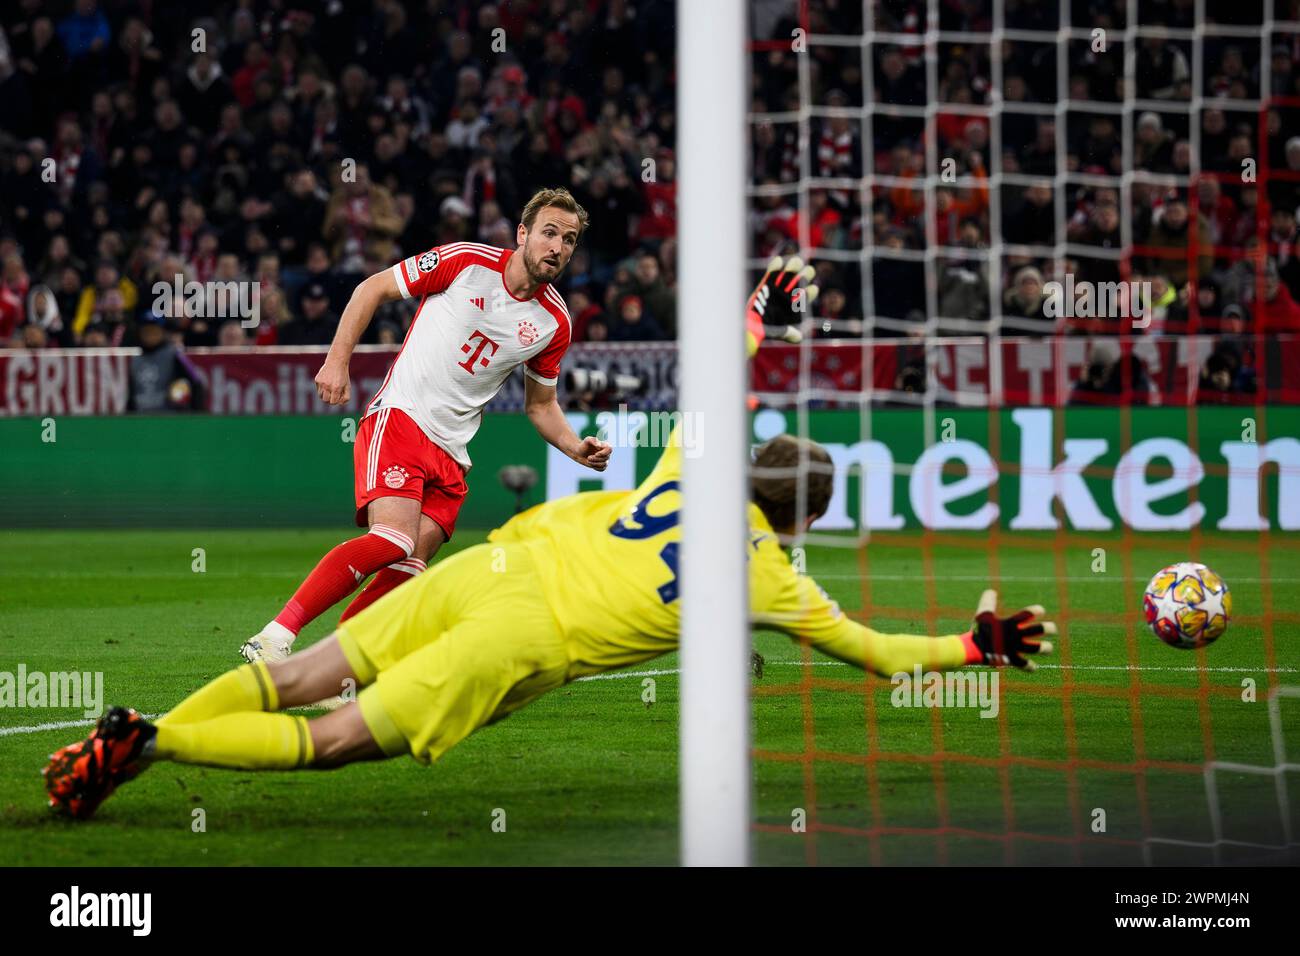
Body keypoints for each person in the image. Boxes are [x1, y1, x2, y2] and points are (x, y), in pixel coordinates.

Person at [42, 261, 1055, 820]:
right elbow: (878, 654)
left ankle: (130, 737)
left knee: (305, 672)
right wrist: (975, 646)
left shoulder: (685, 465)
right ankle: (158, 737)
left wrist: (759, 308)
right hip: (524, 631)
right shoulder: (772, 577)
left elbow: (720, 377)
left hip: (486, 565)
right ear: (802, 521)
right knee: (331, 739)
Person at [238, 187, 612, 666]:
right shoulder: (467, 261)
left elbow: (541, 406)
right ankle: (273, 637)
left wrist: (573, 447)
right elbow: (370, 287)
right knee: (394, 539)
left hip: (453, 452)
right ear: (523, 234)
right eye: (549, 233)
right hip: (402, 417)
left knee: (411, 565)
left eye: (569, 239)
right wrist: (337, 361)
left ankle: (335, 670)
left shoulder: (553, 322)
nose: (558, 247)